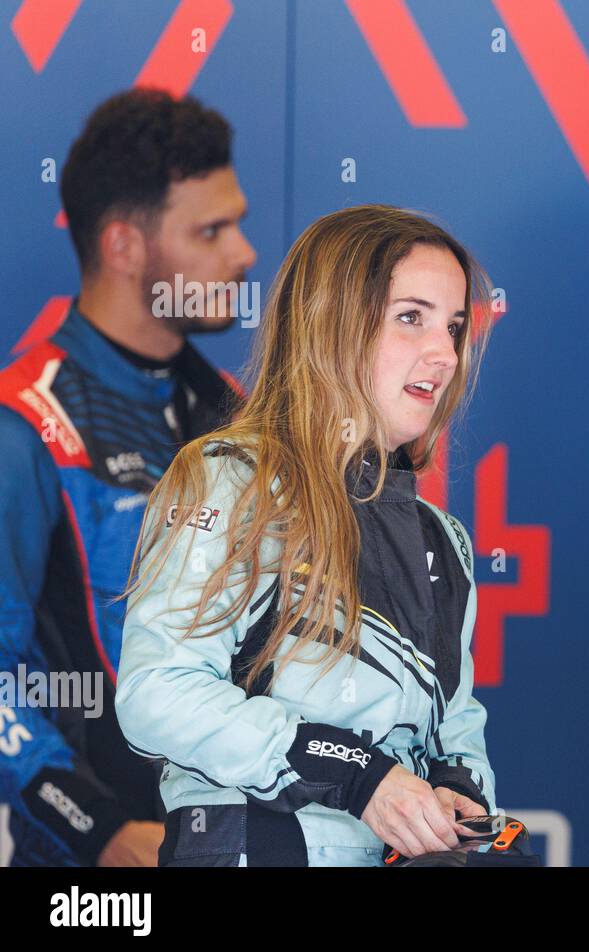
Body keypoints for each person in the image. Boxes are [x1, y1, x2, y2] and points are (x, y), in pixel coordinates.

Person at [114, 205, 496, 866]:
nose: (445, 352)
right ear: (331, 323)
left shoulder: (444, 540)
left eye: (455, 326)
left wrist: (459, 793)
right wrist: (355, 774)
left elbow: (455, 724)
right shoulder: (229, 482)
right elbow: (157, 695)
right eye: (411, 317)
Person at [0, 89, 253, 866]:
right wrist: (100, 830)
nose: (242, 253)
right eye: (210, 231)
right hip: (92, 869)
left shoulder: (240, 416)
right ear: (124, 246)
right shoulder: (29, 424)